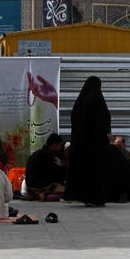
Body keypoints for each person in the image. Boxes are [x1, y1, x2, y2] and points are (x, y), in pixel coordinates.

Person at [64, 76, 111, 207]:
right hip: (97, 147)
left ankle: (85, 196)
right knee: (96, 172)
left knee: (85, 172)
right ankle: (95, 198)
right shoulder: (97, 100)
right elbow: (104, 121)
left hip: (82, 146)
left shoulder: (81, 101)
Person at [24, 133, 67, 201]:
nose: (60, 148)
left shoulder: (37, 154)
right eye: (59, 146)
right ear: (54, 144)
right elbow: (53, 176)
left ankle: (34, 195)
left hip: (29, 187)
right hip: (40, 186)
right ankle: (43, 195)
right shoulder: (48, 156)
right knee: (65, 190)